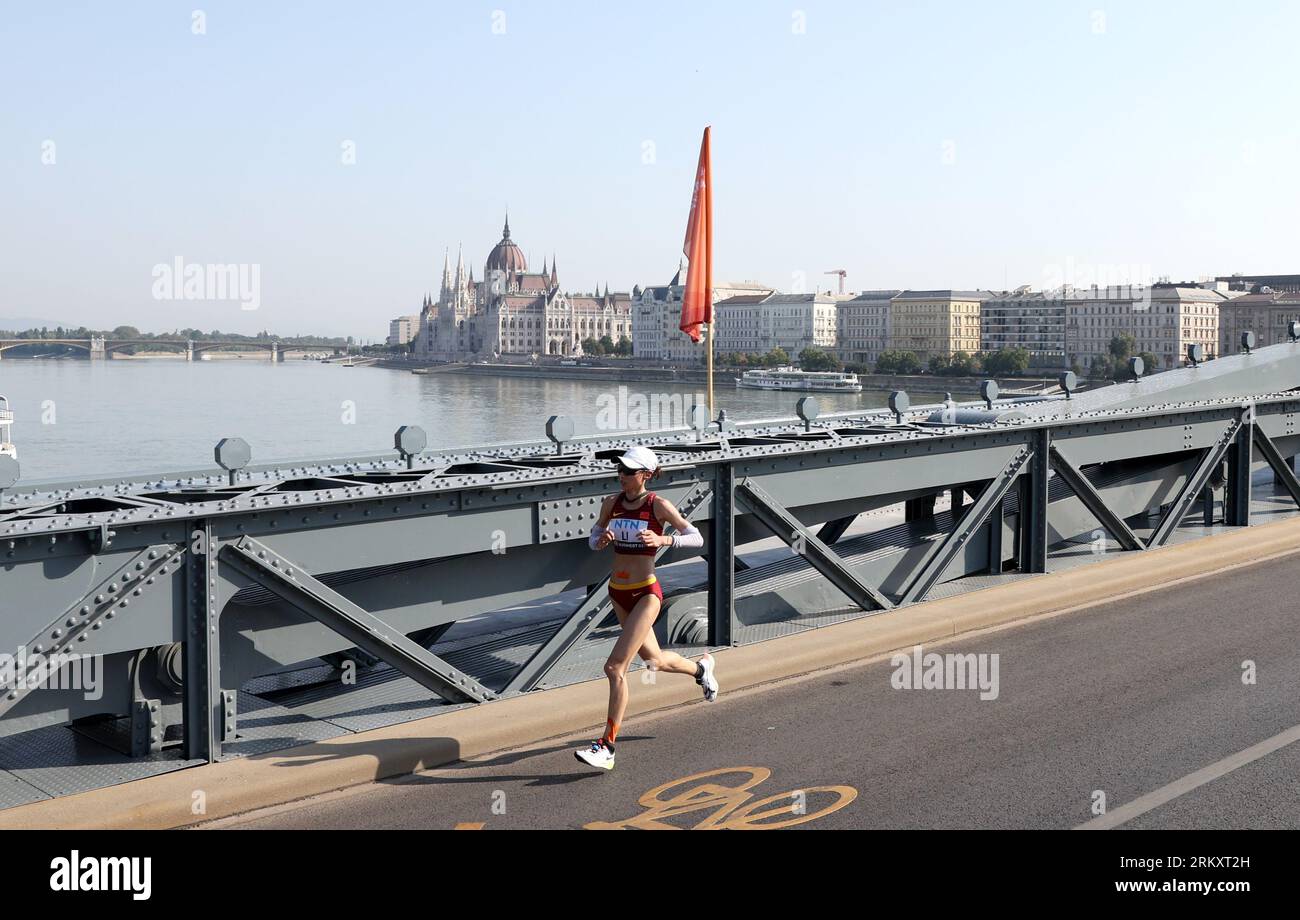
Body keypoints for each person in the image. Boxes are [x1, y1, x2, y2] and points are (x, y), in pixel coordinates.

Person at [574, 445, 717, 771]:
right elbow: (593, 538)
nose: (622, 475)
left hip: (646, 594)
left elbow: (695, 538)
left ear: (646, 475)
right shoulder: (611, 503)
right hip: (617, 592)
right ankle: (701, 670)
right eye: (620, 470)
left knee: (614, 668)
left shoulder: (658, 506)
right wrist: (601, 539)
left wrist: (663, 541)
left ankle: (607, 746)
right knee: (653, 660)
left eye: (628, 471)